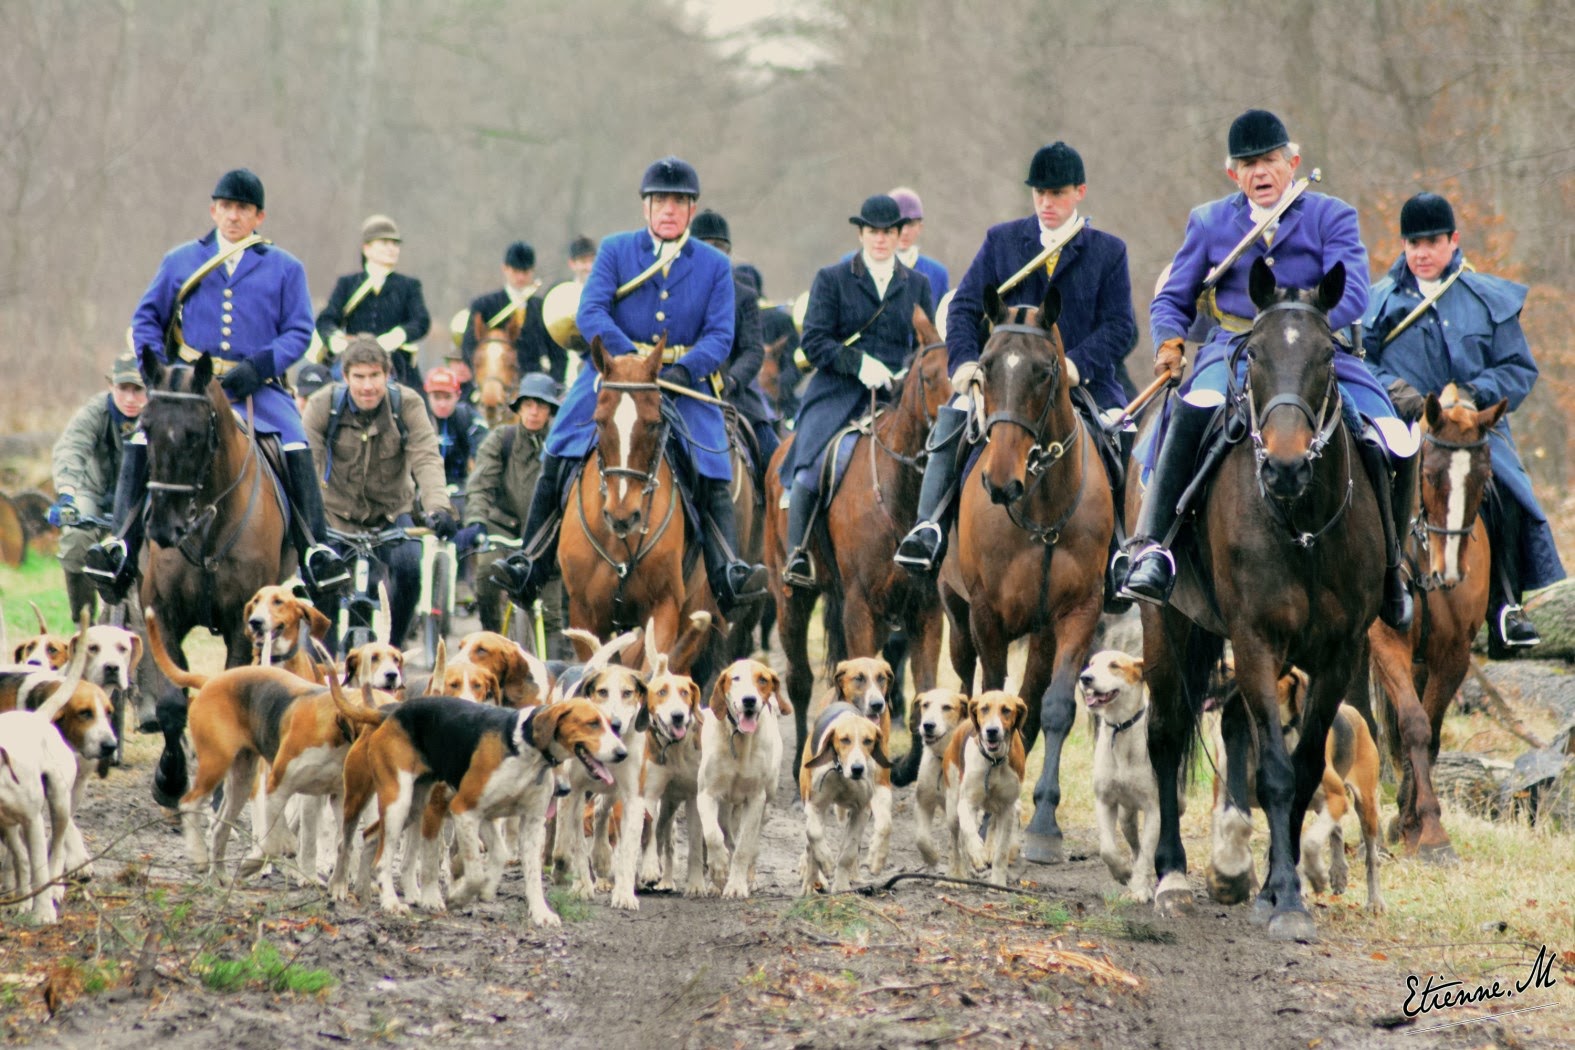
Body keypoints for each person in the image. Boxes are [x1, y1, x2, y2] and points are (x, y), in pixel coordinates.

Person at [1114, 109, 1415, 630]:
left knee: (1392, 434)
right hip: (1233, 348)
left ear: (1292, 162)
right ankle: (1153, 551)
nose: (1261, 172)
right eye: (1248, 164)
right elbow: (1174, 298)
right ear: (1234, 174)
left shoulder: (1331, 215)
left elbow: (1357, 294)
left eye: (1270, 161)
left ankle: (1392, 567)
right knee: (1192, 410)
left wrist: (1301, 326)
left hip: (1319, 349)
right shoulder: (1209, 221)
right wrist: (1169, 339)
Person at [490, 156, 769, 615]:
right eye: (660, 200)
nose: (669, 210)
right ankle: (531, 559)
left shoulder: (714, 265)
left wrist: (681, 371)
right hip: (611, 375)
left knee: (713, 459)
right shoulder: (617, 250)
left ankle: (726, 571)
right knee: (560, 446)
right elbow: (591, 312)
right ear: (646, 207)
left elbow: (721, 334)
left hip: (678, 379)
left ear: (692, 210)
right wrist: (625, 363)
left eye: (679, 202)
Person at [84, 168, 346, 603]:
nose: (233, 216)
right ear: (213, 210)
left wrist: (259, 366)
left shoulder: (285, 267)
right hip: (189, 386)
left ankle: (315, 551)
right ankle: (120, 545)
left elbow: (300, 332)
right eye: (226, 207)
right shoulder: (180, 260)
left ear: (259, 216)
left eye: (243, 208)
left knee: (296, 441)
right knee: (143, 437)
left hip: (255, 388)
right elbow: (146, 318)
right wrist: (160, 371)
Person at [894, 142, 1136, 574]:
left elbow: (1122, 327)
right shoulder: (1002, 241)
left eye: (1057, 193)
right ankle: (928, 527)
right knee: (955, 415)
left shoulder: (1107, 251)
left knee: (1120, 434)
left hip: (1082, 381)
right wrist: (966, 364)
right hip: (1006, 382)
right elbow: (965, 307)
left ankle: (1121, 549)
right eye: (1039, 193)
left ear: (1079, 192)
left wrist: (1076, 365)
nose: (1047, 202)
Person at [1363, 192, 1565, 653]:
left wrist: (1474, 397)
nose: (1421, 252)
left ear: (1454, 240)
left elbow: (1519, 368)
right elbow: (1358, 364)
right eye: (1412, 243)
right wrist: (1410, 399)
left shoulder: (1488, 296)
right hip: (1407, 425)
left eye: (1432, 241)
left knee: (1507, 493)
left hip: (1475, 431)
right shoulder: (1377, 303)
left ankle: (1506, 607)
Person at [781, 194, 934, 586]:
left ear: (900, 235)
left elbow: (927, 346)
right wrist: (859, 364)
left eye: (887, 232)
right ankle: (798, 554)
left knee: (936, 459)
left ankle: (933, 548)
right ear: (861, 233)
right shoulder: (832, 279)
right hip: (837, 391)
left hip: (898, 396)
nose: (880, 239)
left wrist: (905, 373)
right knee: (810, 470)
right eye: (872, 232)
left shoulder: (917, 283)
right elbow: (814, 342)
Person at [303, 337, 457, 649]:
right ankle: (324, 658)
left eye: (375, 376)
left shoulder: (408, 405)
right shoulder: (322, 405)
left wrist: (439, 507)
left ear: (388, 376)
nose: (367, 386)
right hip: (336, 518)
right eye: (359, 377)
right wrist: (310, 519)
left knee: (410, 568)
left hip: (391, 516)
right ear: (345, 378)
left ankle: (394, 646)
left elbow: (426, 457)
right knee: (319, 578)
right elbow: (308, 465)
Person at [464, 374, 569, 653]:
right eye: (528, 404)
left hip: (546, 537)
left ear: (550, 411)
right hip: (504, 530)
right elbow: (480, 484)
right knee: (486, 575)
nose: (534, 412)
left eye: (542, 406)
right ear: (519, 407)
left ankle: (551, 677)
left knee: (552, 618)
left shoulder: (562, 446)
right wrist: (476, 521)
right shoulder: (501, 439)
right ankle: (491, 641)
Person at [50, 352, 147, 622]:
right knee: (75, 540)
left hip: (141, 500)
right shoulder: (95, 412)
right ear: (110, 386)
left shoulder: (159, 416)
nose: (130, 398)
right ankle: (84, 623)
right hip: (94, 494)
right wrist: (67, 494)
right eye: (123, 388)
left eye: (138, 389)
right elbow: (71, 448)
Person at [690, 209, 781, 483]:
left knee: (774, 460)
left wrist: (731, 380)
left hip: (735, 395)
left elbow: (753, 350)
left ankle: (780, 517)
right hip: (683, 390)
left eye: (719, 248)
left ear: (728, 253)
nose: (712, 254)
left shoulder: (744, 295)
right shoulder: (675, 290)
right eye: (704, 247)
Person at [315, 214, 431, 391]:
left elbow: (421, 321)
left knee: (418, 408)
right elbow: (326, 319)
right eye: (384, 243)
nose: (392, 249)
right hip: (353, 359)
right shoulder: (348, 284)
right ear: (366, 248)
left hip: (397, 362)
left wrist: (397, 336)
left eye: (395, 244)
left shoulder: (409, 286)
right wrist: (335, 339)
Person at [459, 241, 566, 386]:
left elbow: (558, 354)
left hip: (534, 386)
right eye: (516, 272)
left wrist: (551, 387)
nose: (521, 278)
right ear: (505, 269)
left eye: (526, 272)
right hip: (494, 384)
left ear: (533, 271)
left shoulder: (543, 308)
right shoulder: (484, 305)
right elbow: (469, 346)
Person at [423, 365, 487, 490]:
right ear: (428, 396)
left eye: (447, 397)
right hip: (424, 488)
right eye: (436, 397)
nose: (442, 404)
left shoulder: (467, 416)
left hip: (461, 486)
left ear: (458, 395)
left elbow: (484, 447)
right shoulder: (417, 418)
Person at [888, 187, 949, 304]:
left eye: (910, 224)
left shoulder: (937, 273)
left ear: (920, 227)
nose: (904, 231)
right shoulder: (854, 265)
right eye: (898, 223)